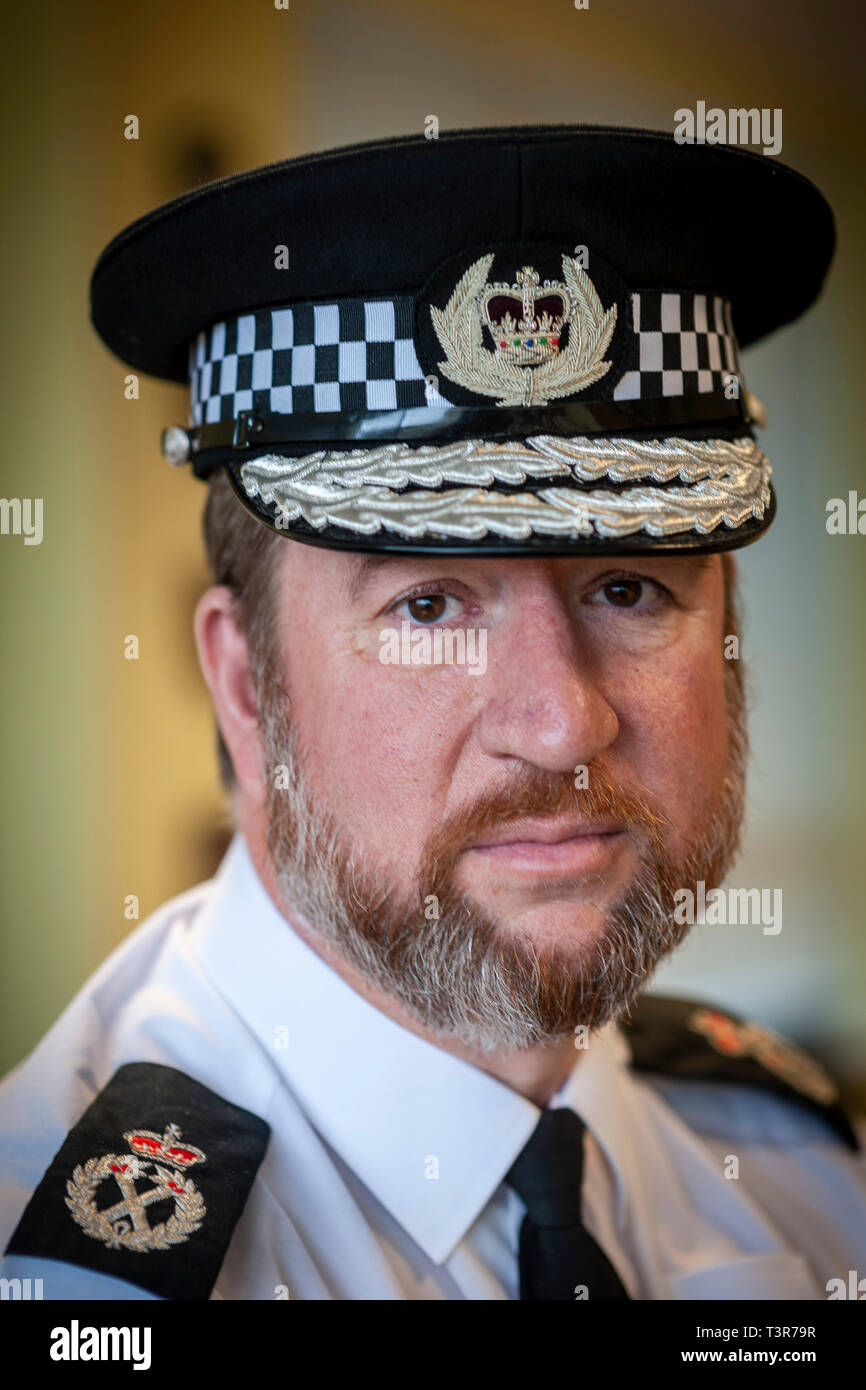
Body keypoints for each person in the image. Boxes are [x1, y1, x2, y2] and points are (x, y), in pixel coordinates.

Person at [1, 124, 864, 1302]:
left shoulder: (801, 1169)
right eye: (425, 606)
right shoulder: (72, 1278)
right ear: (247, 684)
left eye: (627, 587)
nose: (561, 724)